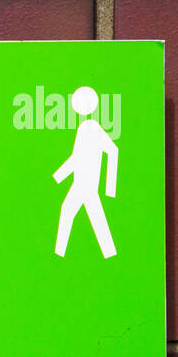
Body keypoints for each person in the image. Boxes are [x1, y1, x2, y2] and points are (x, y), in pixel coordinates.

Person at [53, 85, 118, 258]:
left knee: (69, 211)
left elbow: (113, 150)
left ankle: (59, 254)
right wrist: (59, 176)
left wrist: (110, 187)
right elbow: (76, 157)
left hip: (86, 185)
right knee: (84, 214)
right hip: (80, 183)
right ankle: (108, 252)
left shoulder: (93, 127)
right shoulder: (84, 128)